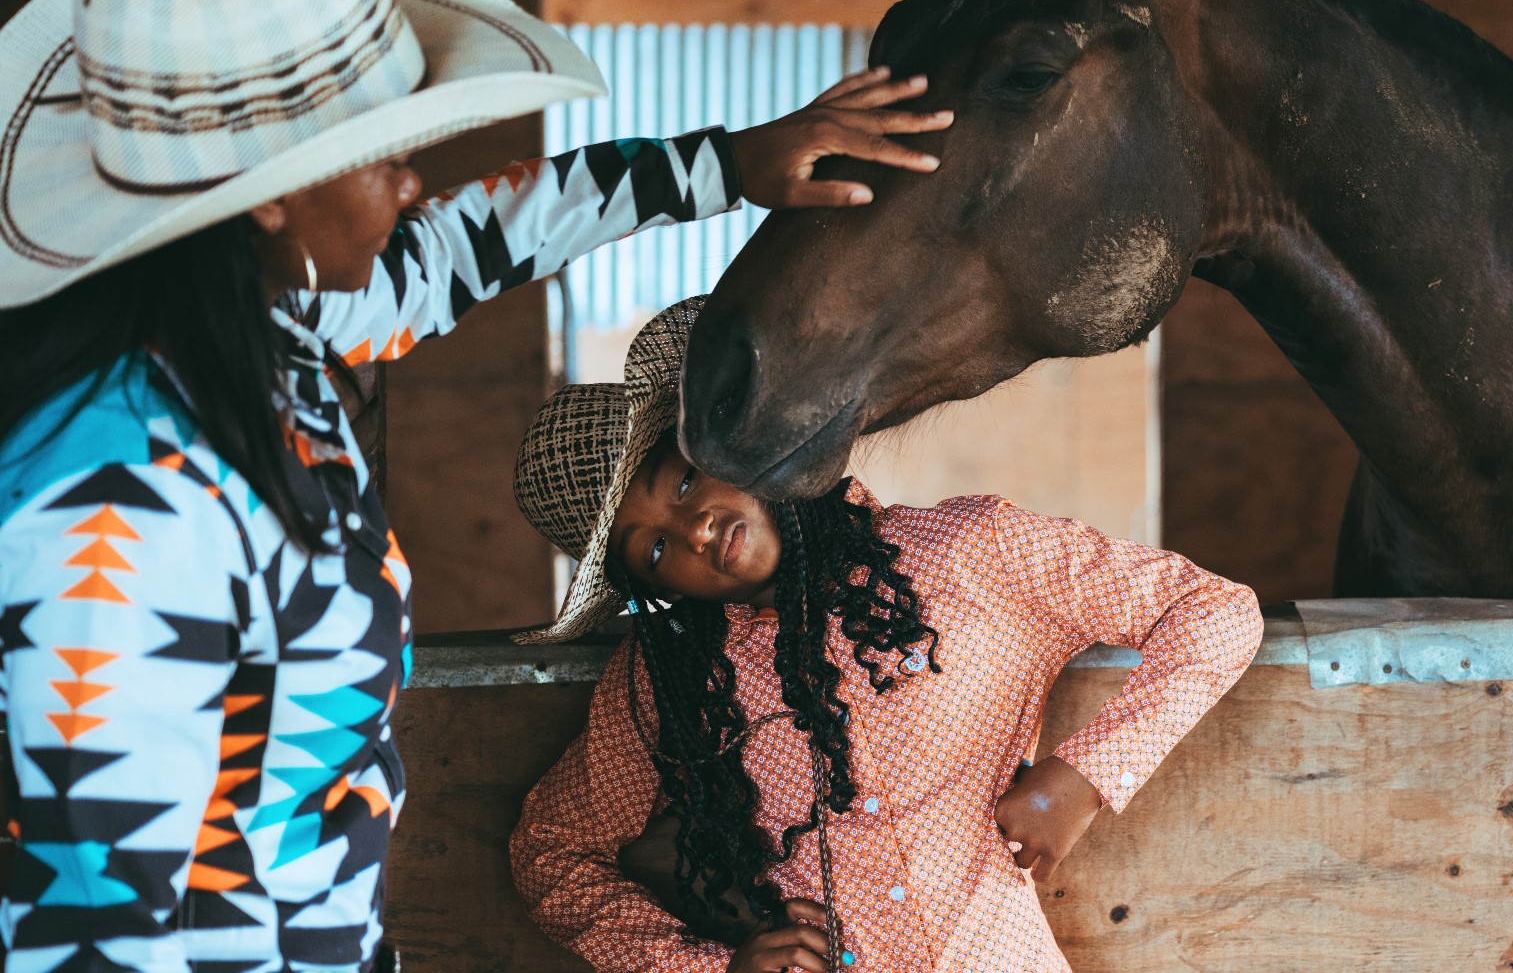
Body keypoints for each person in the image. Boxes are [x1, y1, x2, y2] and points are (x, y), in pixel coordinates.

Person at [0, 0, 950, 968]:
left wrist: (726, 166)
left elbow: (467, 245)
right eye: (384, 152)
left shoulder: (274, 336)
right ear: (271, 195)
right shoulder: (119, 501)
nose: (412, 181)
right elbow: (105, 918)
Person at [508, 298, 1265, 972]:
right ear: (653, 587)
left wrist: (1083, 779)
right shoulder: (667, 678)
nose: (696, 530)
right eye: (654, 551)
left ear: (734, 448)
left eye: (681, 483)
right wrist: (708, 969)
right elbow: (551, 855)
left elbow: (1213, 610)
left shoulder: (971, 554)